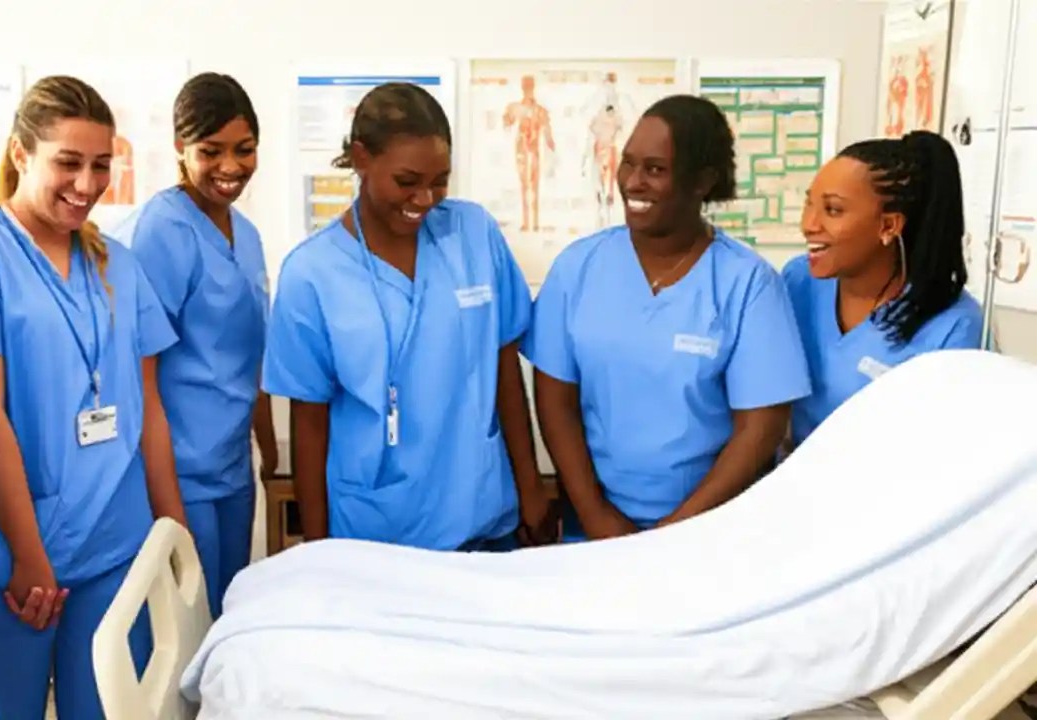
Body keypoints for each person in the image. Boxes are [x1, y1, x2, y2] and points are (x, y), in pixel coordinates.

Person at [0, 76, 186, 720]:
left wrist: (172, 534)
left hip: (117, 547)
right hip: (15, 559)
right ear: (19, 154)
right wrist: (29, 557)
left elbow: (150, 407)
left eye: (101, 165)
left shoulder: (116, 262)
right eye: (68, 162)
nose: (87, 184)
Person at [262, 81, 557, 552]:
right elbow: (310, 420)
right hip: (375, 533)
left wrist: (531, 489)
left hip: (482, 515)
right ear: (361, 158)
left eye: (440, 180)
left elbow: (503, 367)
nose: (425, 198)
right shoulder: (312, 273)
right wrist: (317, 553)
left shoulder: (474, 234)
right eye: (407, 181)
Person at [525, 94, 812, 541]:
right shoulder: (578, 268)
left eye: (655, 169)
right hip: (595, 523)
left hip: (711, 528)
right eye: (629, 163)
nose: (633, 182)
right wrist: (595, 513)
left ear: (702, 181)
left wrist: (675, 532)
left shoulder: (747, 283)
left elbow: (762, 427)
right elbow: (555, 397)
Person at [110, 72, 275, 617]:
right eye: (212, 150)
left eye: (244, 150)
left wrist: (267, 448)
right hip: (179, 470)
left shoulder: (245, 235)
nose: (231, 167)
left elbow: (253, 353)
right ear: (180, 149)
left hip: (232, 463)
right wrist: (166, 502)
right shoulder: (163, 231)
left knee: (231, 611)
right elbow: (139, 371)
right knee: (187, 624)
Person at [783, 130, 984, 450]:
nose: (809, 224)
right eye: (809, 204)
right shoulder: (798, 280)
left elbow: (936, 446)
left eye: (833, 210)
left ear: (889, 226)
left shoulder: (952, 323)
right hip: (784, 485)